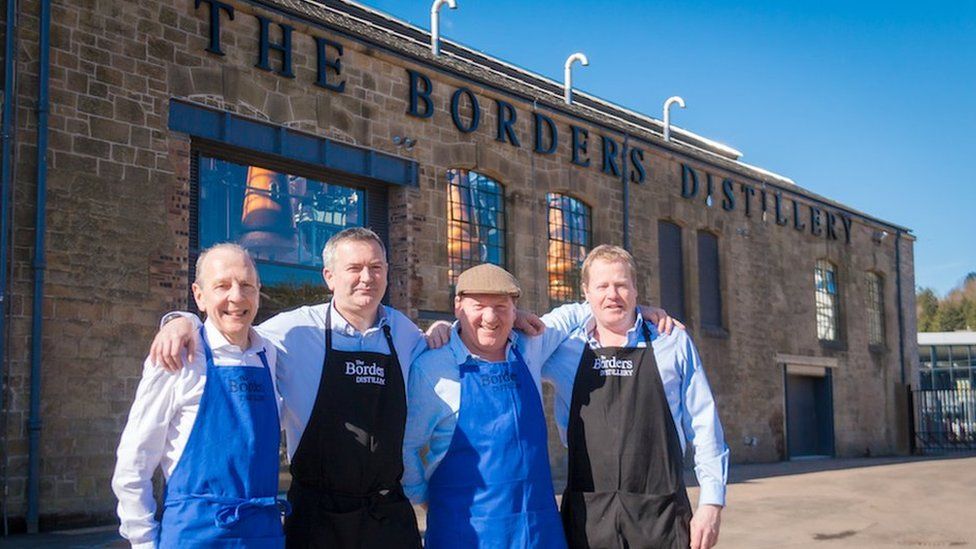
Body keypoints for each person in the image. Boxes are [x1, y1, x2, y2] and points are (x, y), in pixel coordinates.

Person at [149, 228, 457, 548]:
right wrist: (182, 320)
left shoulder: (405, 332)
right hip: (316, 518)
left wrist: (443, 327)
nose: (367, 277)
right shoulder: (293, 329)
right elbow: (230, 330)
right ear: (329, 277)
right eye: (354, 268)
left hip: (386, 515)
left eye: (376, 267)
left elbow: (452, 348)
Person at [543, 245, 729, 549]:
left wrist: (711, 503)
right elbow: (506, 344)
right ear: (585, 292)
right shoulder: (562, 351)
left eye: (621, 285)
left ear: (635, 290)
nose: (612, 295)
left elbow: (705, 425)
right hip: (588, 519)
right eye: (602, 286)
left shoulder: (672, 342)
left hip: (661, 516)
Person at [112, 243, 287, 548]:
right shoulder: (177, 357)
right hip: (195, 534)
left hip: (262, 533)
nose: (236, 296)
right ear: (199, 295)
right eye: (222, 286)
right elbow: (134, 460)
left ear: (258, 292)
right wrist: (142, 540)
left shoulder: (268, 354)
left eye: (246, 285)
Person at [403, 264, 580, 548]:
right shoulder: (432, 368)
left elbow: (580, 311)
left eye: (501, 306)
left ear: (515, 309)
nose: (490, 317)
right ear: (458, 306)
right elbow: (406, 447)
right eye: (479, 306)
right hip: (464, 534)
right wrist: (424, 499)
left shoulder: (529, 347)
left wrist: (642, 311)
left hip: (538, 531)